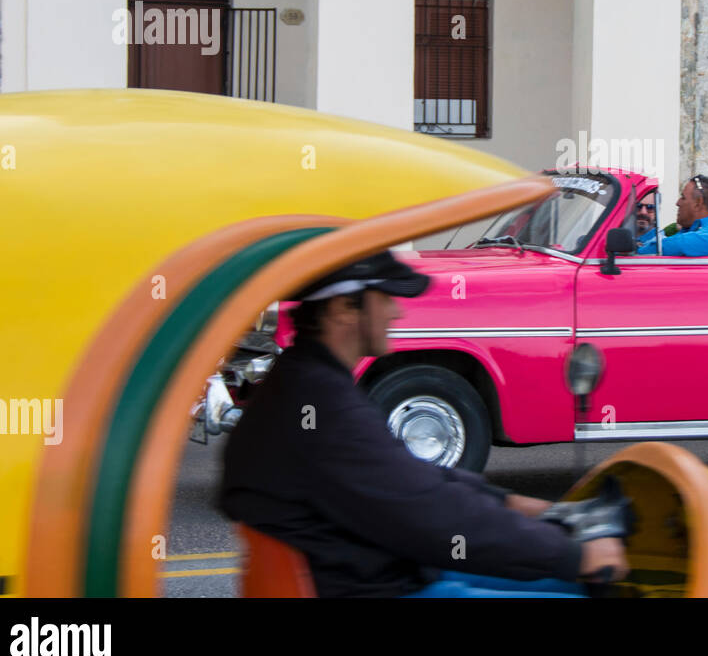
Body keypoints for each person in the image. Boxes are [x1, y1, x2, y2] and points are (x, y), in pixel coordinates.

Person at [219, 250, 628, 597]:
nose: (395, 310)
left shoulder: (301, 382)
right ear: (345, 308)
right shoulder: (323, 404)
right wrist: (578, 556)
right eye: (385, 297)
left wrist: (523, 506)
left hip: (374, 567)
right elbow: (433, 516)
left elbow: (409, 481)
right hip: (377, 584)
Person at [637, 174, 708, 256]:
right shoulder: (694, 229)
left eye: (683, 197)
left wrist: (637, 251)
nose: (678, 203)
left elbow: (678, 245)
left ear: (698, 203)